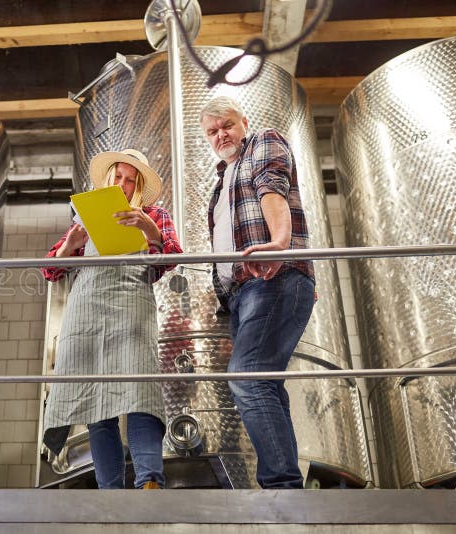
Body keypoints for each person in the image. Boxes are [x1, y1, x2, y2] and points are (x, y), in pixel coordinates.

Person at [41, 148, 183, 489]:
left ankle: (149, 482)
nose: (122, 184)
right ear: (109, 178)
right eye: (118, 177)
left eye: (130, 180)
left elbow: (173, 257)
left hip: (131, 310)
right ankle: (110, 493)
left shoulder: (155, 214)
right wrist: (70, 245)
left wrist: (151, 232)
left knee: (140, 395)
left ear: (139, 186)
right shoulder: (86, 216)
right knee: (96, 404)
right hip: (87, 314)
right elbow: (50, 269)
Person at [200, 95, 315, 489]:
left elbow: (272, 187)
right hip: (241, 294)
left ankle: (282, 487)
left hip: (270, 277)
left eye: (227, 125)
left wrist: (280, 243)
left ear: (243, 123)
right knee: (265, 382)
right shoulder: (222, 182)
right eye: (212, 131)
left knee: (248, 377)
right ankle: (287, 484)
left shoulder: (263, 141)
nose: (221, 135)